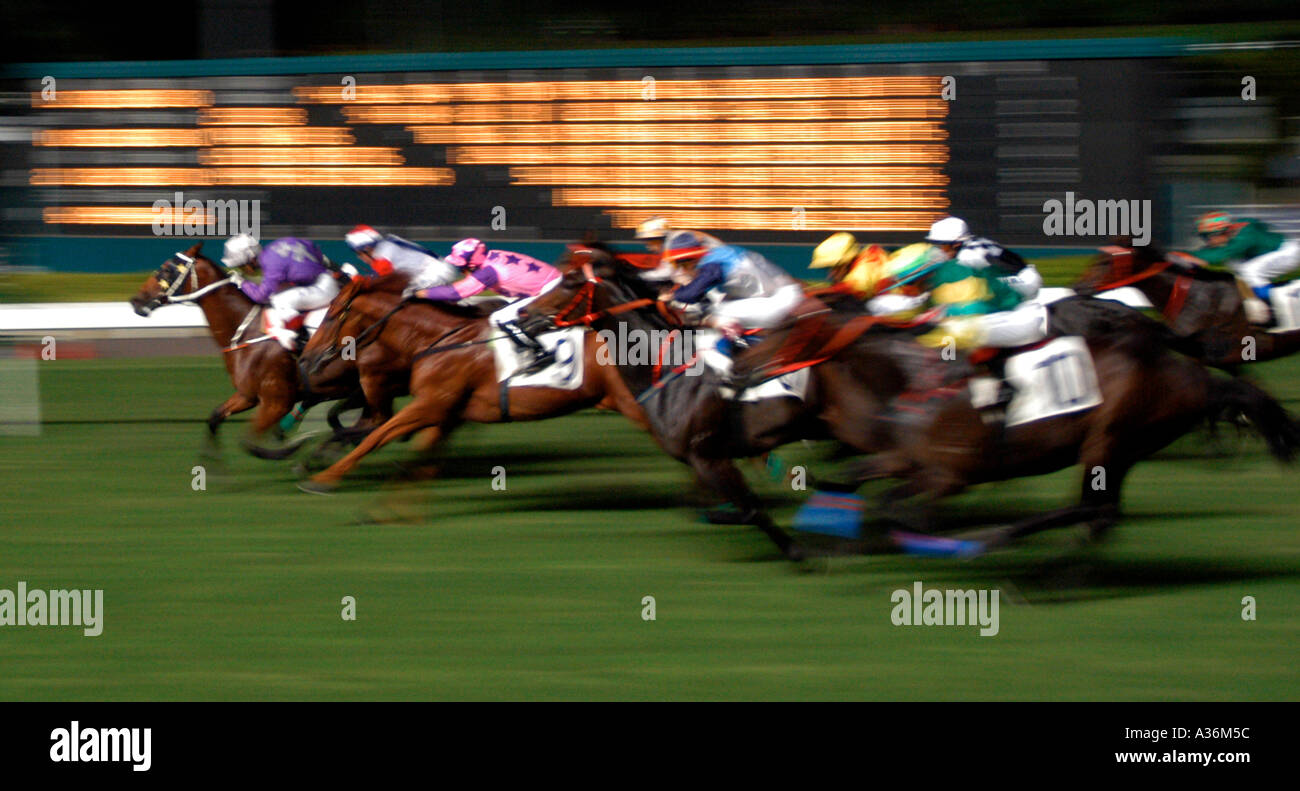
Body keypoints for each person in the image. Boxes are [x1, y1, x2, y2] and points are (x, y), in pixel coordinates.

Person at [408, 238, 563, 373]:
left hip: (549, 292)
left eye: (463, 266)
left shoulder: (488, 272)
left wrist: (421, 293)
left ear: (474, 261)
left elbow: (457, 293)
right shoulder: (493, 255)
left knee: (498, 318)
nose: (462, 270)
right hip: (549, 285)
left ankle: (541, 351)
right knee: (483, 303)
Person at [659, 232, 804, 355]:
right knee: (723, 303)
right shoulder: (721, 253)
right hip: (784, 294)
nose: (681, 270)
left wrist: (672, 296)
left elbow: (691, 295)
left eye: (680, 265)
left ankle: (740, 346)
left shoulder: (712, 265)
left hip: (780, 303)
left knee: (716, 312)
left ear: (691, 259)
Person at [221, 234, 339, 352]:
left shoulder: (271, 265)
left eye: (241, 266)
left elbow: (260, 296)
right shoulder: (282, 243)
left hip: (323, 289)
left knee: (279, 300)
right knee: (281, 293)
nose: (243, 270)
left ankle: (299, 339)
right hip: (324, 281)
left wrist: (242, 283)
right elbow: (314, 251)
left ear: (251, 258)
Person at [1185, 211, 1300, 323]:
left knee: (1250, 270)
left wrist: (1191, 257)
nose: (1207, 241)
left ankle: (1272, 311)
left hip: (1288, 253)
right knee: (1235, 266)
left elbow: (1222, 253)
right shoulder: (1234, 233)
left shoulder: (1244, 236)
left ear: (1222, 232)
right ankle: (1254, 300)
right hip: (1271, 252)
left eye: (1207, 237)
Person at [924, 216, 1042, 300]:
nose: (939, 249)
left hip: (1023, 281)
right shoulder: (973, 244)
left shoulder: (967, 256)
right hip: (1022, 276)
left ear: (956, 244)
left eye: (941, 245)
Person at [344, 225, 459, 290]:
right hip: (435, 270)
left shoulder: (383, 255)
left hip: (434, 274)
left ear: (367, 248)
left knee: (400, 296)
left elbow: (377, 284)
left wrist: (354, 278)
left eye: (359, 253)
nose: (359, 257)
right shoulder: (385, 245)